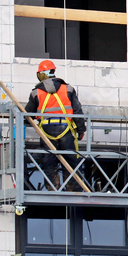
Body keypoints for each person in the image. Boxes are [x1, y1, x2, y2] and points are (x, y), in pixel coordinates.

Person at [25, 59, 86, 191]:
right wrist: (81, 130)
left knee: (49, 161)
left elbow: (26, 115)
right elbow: (77, 111)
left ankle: (52, 188)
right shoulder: (68, 89)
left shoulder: (36, 93)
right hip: (66, 131)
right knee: (70, 159)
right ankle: (73, 188)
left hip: (47, 132)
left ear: (41, 74)